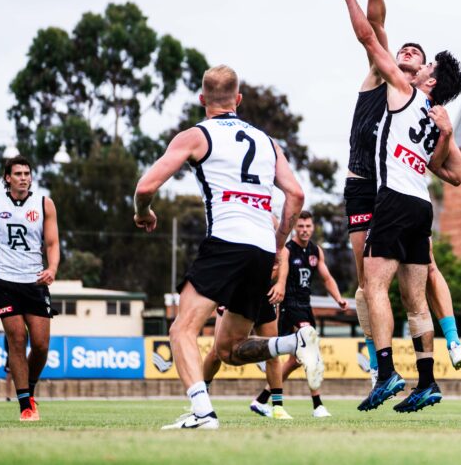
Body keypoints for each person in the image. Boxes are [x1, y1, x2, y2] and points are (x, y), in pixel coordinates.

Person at [134, 64, 322, 430]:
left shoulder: (195, 136)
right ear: (238, 100)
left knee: (181, 331)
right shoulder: (268, 142)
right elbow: (296, 194)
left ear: (202, 99)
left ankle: (202, 412)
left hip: (226, 242)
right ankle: (296, 342)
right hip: (261, 248)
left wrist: (144, 212)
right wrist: (279, 243)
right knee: (228, 350)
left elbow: (144, 187)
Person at [326, 0, 461, 413]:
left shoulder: (404, 93)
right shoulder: (436, 115)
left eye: (424, 63)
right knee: (411, 295)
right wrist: (443, 137)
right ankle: (427, 379)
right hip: (420, 204)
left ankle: (385, 371)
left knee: (373, 286)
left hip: (391, 198)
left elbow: (371, 38)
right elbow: (456, 172)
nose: (417, 62)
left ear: (428, 80)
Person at [0, 155, 59, 421]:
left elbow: (53, 243)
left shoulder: (45, 204)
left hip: (35, 281)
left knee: (42, 346)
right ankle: (26, 406)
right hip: (5, 280)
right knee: (17, 341)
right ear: (7, 178)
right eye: (18, 173)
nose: (23, 177)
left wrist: (52, 269)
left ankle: (28, 389)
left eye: (27, 173)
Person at [251, 210, 348, 418]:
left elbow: (327, 278)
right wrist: (279, 286)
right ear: (295, 228)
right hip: (289, 306)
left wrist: (338, 298)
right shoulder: (287, 250)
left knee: (295, 360)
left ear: (313, 228)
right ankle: (318, 405)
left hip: (305, 306)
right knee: (310, 348)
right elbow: (281, 274)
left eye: (308, 226)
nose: (304, 230)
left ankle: (261, 400)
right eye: (301, 226)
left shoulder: (316, 251)